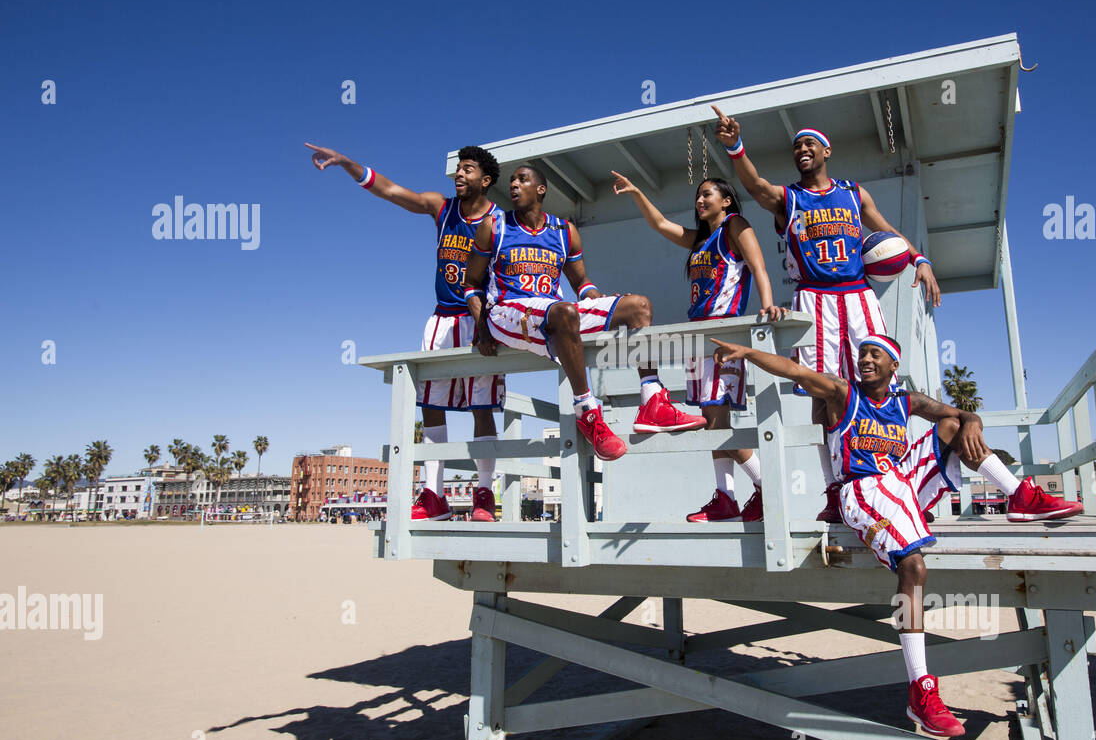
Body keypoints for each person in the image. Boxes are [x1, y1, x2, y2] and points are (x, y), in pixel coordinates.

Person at [708, 332, 1084, 736]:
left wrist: (972, 420)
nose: (866, 359)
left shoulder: (906, 402)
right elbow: (796, 370)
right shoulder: (842, 394)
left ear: (893, 366)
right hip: (863, 488)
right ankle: (920, 689)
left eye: (875, 355)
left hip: (900, 481)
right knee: (914, 567)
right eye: (862, 354)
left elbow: (953, 413)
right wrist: (748, 353)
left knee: (954, 425)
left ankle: (1020, 496)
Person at [709, 106, 943, 524]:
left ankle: (892, 477)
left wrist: (919, 259)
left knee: (879, 387)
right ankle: (836, 488)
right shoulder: (790, 198)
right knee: (823, 396)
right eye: (796, 145)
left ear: (826, 151)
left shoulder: (855, 193)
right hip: (814, 298)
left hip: (858, 296)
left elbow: (887, 232)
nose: (801, 149)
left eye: (809, 144)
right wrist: (735, 147)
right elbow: (757, 185)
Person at [306, 142, 502, 522]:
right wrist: (349, 163)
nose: (459, 175)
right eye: (457, 169)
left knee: (482, 406)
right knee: (430, 404)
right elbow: (392, 192)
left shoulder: (500, 221)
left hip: (480, 317)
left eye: (467, 169)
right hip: (443, 318)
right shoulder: (441, 208)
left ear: (486, 179)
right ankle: (434, 495)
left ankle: (483, 493)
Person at [464, 165, 705, 461]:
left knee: (638, 306)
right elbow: (472, 284)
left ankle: (653, 400)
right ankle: (587, 411)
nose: (514, 184)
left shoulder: (564, 230)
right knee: (564, 312)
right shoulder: (494, 225)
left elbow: (581, 283)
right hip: (505, 313)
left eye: (522, 179)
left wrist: (596, 299)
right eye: (512, 180)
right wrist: (481, 328)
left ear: (541, 189)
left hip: (553, 312)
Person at [611, 171, 786, 521]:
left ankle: (768, 486)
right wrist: (636, 192)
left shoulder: (736, 225)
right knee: (712, 421)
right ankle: (726, 498)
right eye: (697, 196)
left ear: (726, 200)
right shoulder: (700, 241)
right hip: (698, 337)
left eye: (707, 194)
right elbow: (661, 224)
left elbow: (758, 266)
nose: (700, 200)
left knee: (715, 422)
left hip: (721, 334)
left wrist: (767, 304)